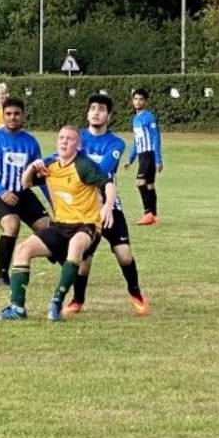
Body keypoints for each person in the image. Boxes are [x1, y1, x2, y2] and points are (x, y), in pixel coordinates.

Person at [0, 125, 115, 323]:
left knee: (76, 246)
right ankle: (17, 307)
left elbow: (108, 184)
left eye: (70, 139)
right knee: (22, 250)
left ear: (78, 144)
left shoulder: (84, 165)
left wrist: (108, 206)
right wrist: (32, 167)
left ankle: (56, 302)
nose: (64, 142)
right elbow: (26, 183)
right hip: (60, 226)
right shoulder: (50, 166)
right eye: (61, 138)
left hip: (87, 225)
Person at [64, 93, 149, 317]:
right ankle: (77, 300)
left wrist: (76, 162)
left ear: (108, 116)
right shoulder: (77, 137)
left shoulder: (116, 143)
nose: (96, 112)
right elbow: (59, 158)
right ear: (87, 113)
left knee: (124, 254)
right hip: (84, 208)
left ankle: (135, 292)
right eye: (92, 108)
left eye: (101, 109)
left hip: (111, 206)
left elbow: (101, 170)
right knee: (84, 259)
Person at [0, 96, 49, 287]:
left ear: (23, 116)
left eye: (17, 114)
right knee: (12, 224)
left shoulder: (31, 142)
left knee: (48, 228)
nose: (12, 117)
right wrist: (1, 192)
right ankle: (2, 275)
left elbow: (40, 176)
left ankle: (62, 261)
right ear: (3, 115)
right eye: (8, 114)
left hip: (23, 192)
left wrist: (54, 202)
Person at [124, 87, 162, 225]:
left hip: (149, 155)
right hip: (141, 155)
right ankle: (154, 215)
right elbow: (136, 140)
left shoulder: (149, 117)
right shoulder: (135, 119)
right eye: (135, 99)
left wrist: (158, 159)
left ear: (145, 102)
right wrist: (130, 158)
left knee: (140, 183)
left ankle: (148, 214)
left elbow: (155, 138)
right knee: (150, 185)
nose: (137, 102)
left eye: (141, 99)